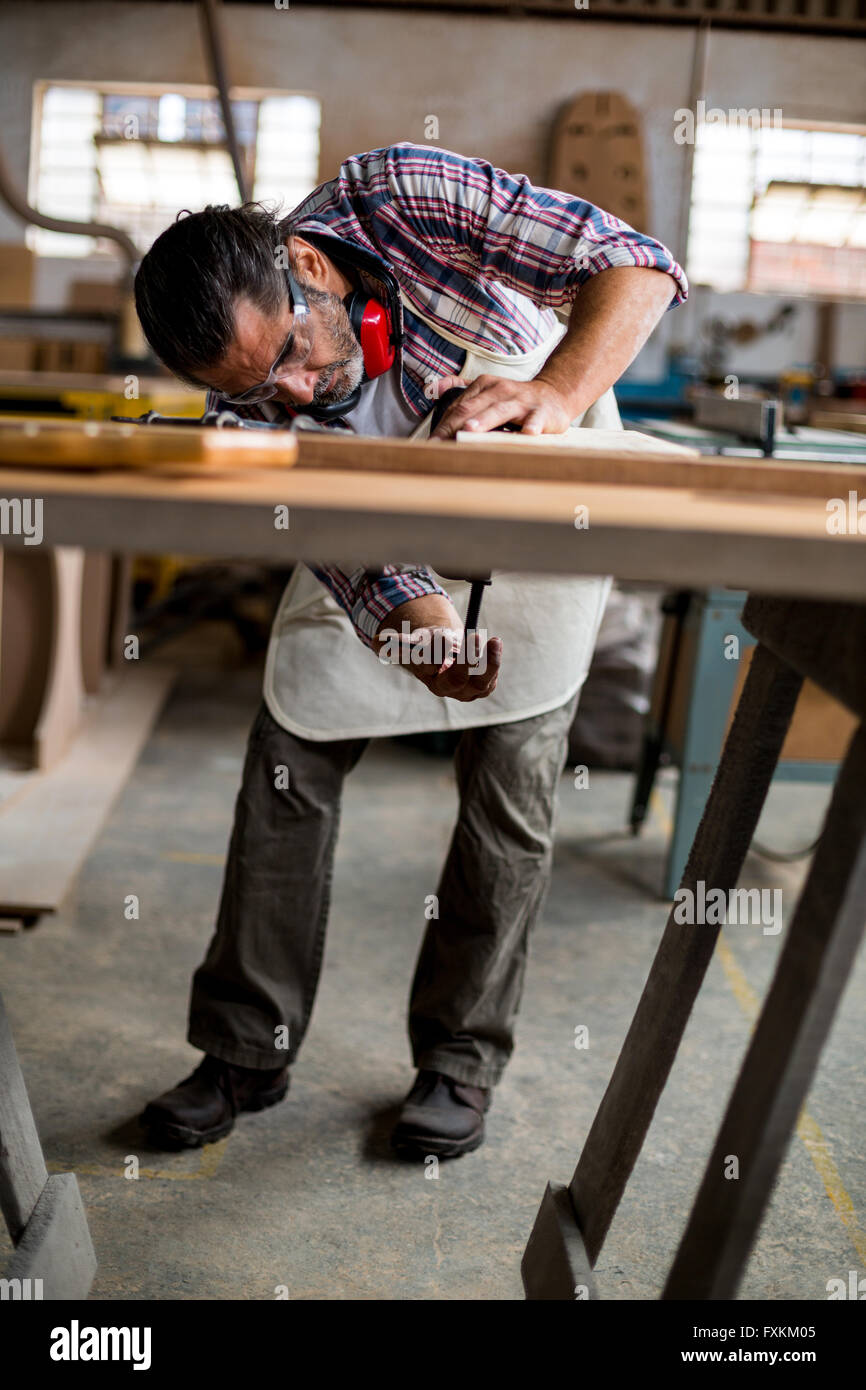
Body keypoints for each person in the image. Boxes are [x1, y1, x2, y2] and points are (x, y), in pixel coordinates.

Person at [134, 143, 687, 1159]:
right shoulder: (247, 402)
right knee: (287, 756)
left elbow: (635, 263)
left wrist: (556, 395)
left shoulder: (402, 193)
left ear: (308, 266)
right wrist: (419, 625)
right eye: (263, 390)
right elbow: (339, 533)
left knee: (510, 780)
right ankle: (246, 1049)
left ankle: (457, 1061)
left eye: (294, 357)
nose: (294, 394)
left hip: (534, 500)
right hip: (379, 539)